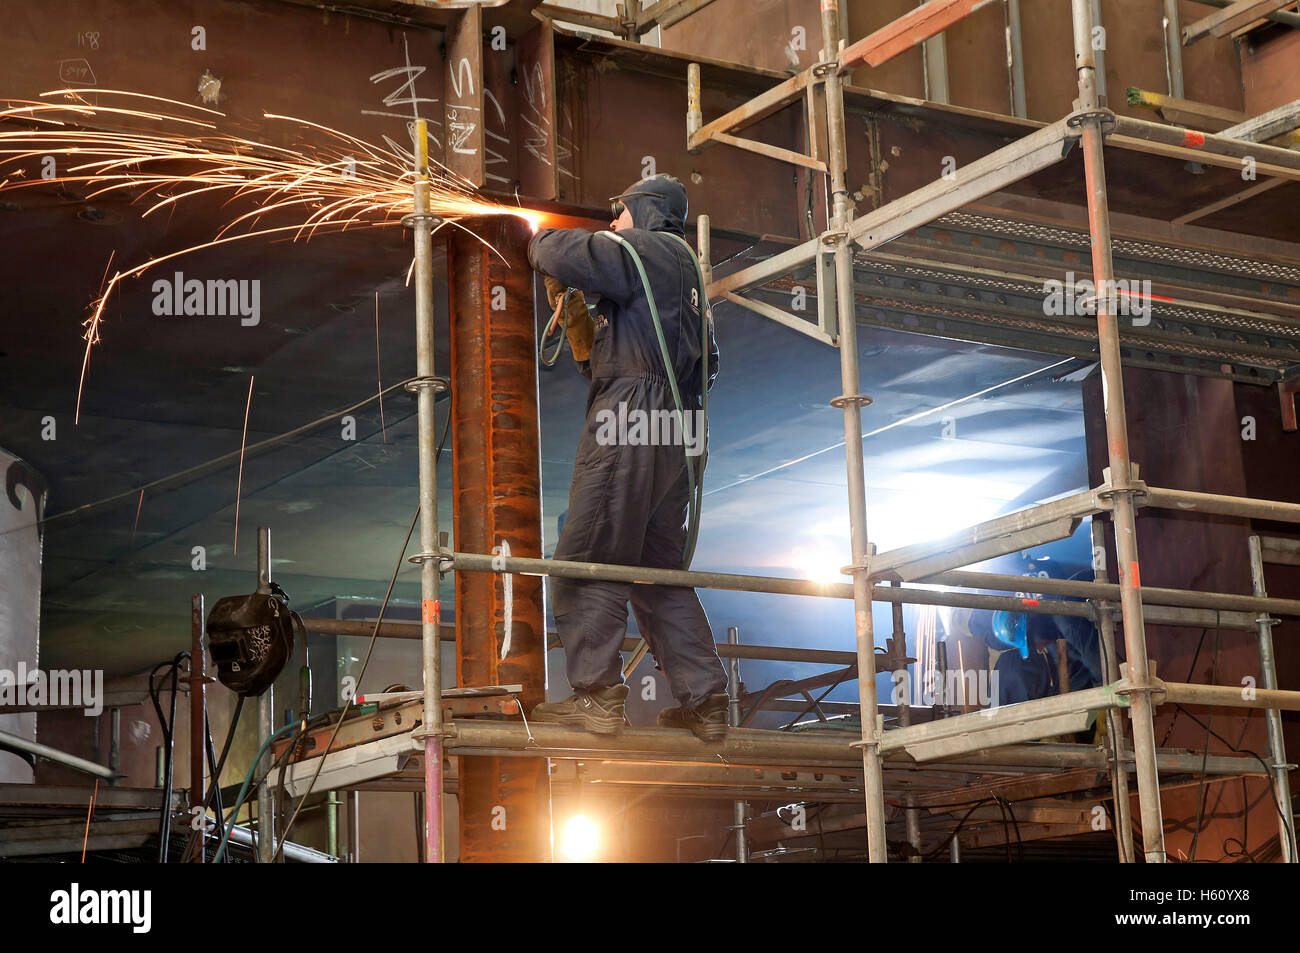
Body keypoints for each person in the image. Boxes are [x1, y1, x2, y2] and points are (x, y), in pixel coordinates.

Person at [526, 173, 727, 742]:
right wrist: (588, 333)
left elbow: (566, 249)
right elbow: (700, 364)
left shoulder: (650, 248)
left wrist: (537, 237)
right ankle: (706, 699)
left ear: (645, 211)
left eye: (620, 213)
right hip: (680, 429)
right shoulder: (685, 276)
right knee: (655, 571)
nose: (614, 223)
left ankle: (597, 697)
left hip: (632, 419)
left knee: (587, 558)